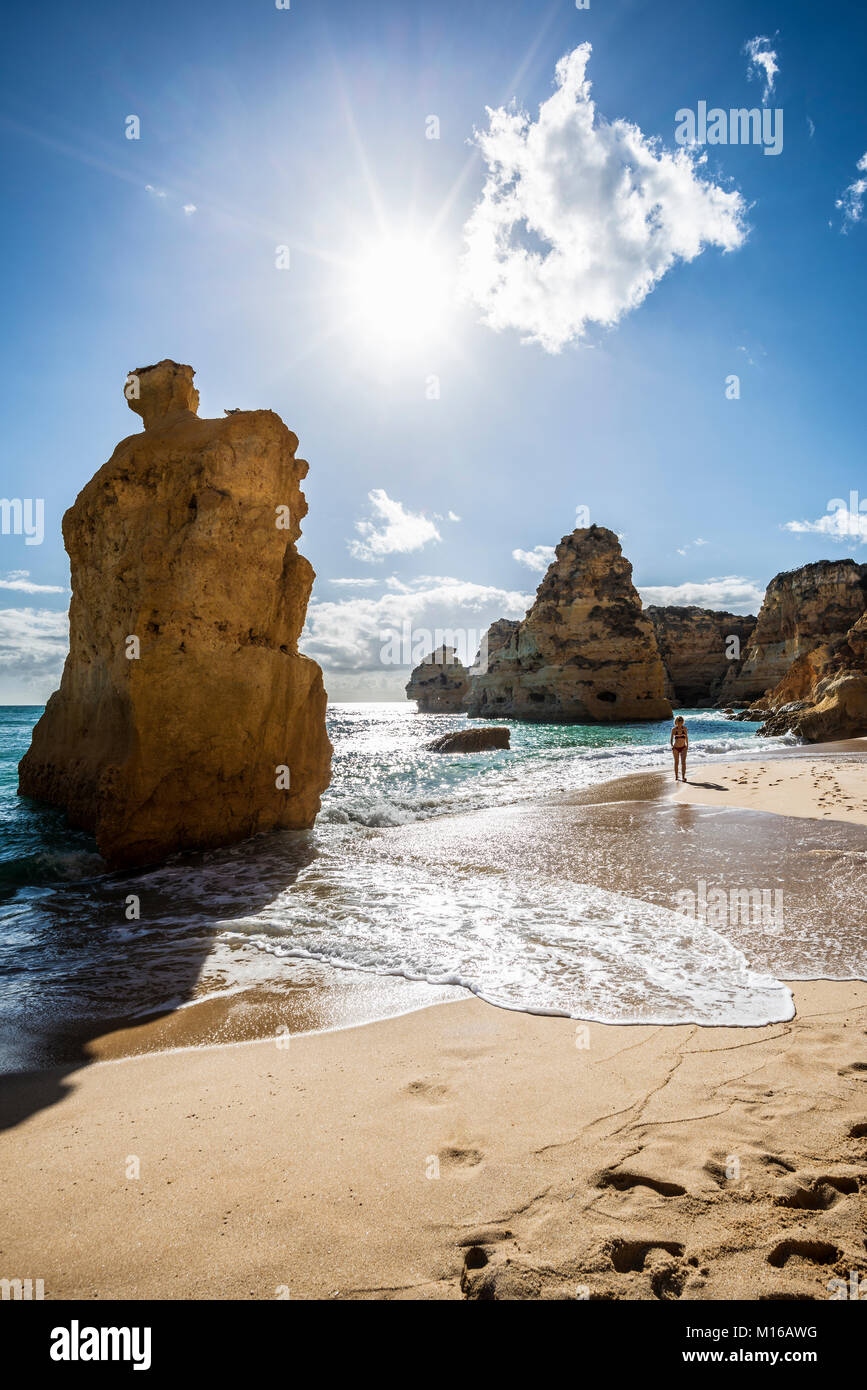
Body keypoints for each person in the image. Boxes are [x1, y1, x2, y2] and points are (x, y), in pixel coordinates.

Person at [670, 715, 689, 782]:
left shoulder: (685, 729)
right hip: (676, 748)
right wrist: (672, 746)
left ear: (683, 721)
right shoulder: (674, 729)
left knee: (683, 762)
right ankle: (676, 776)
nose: (680, 722)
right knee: (676, 762)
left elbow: (686, 737)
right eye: (678, 720)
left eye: (681, 720)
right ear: (676, 722)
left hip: (683, 747)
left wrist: (687, 745)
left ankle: (683, 777)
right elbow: (671, 739)